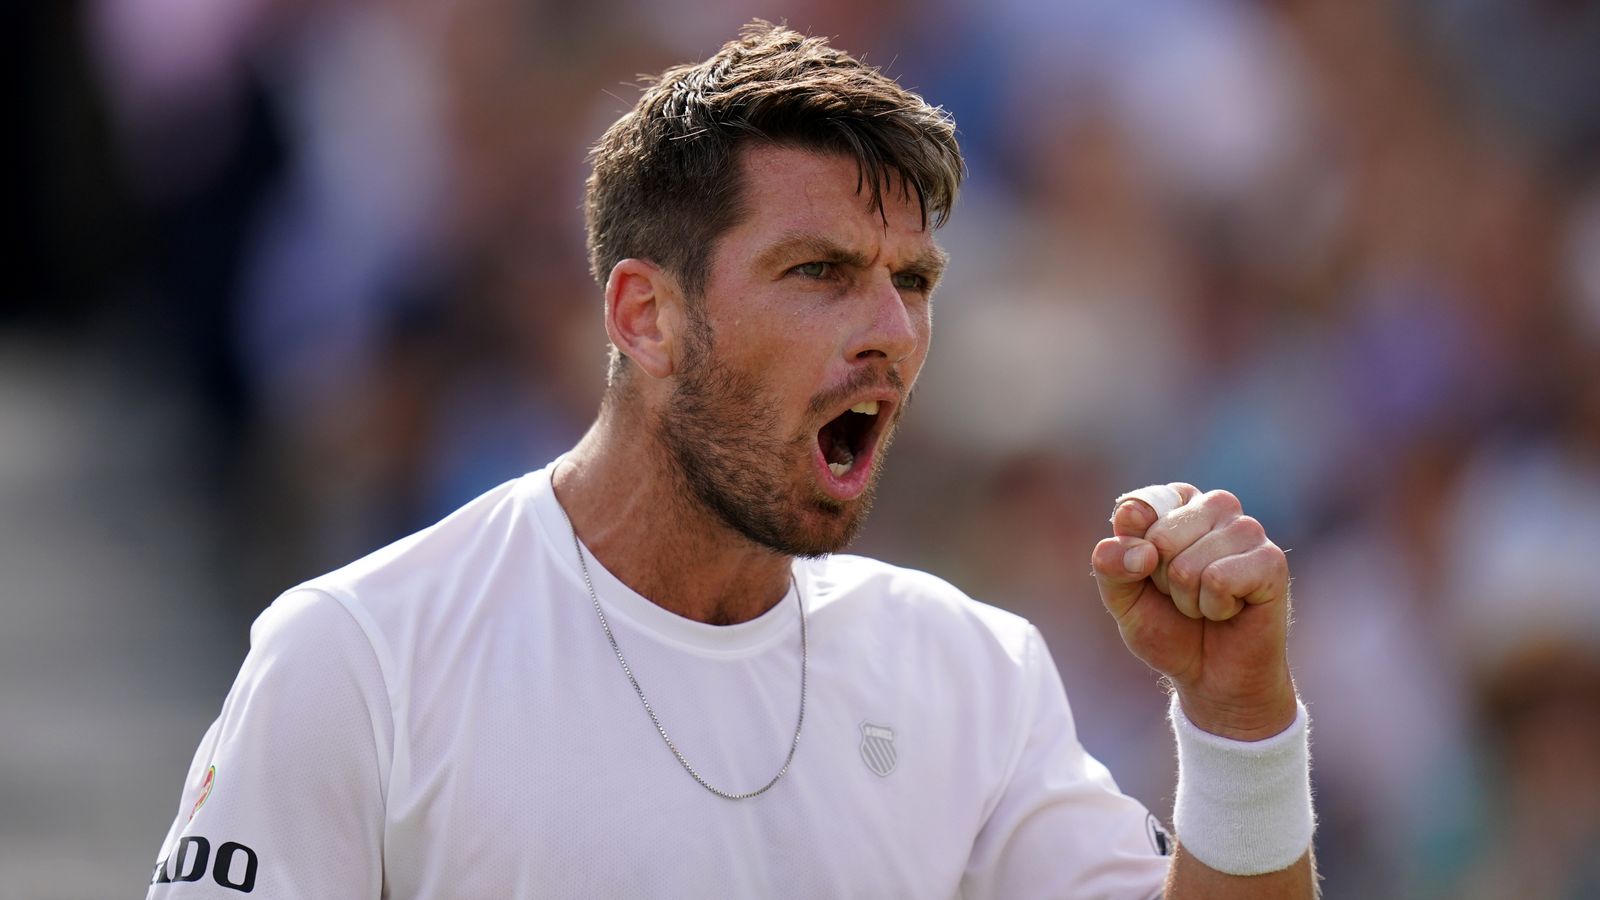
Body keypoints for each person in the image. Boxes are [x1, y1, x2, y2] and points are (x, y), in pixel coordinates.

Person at [146, 23, 1315, 898]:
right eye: (819, 273)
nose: (892, 335)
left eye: (910, 282)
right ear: (644, 317)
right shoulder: (360, 658)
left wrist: (1237, 718)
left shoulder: (969, 672)